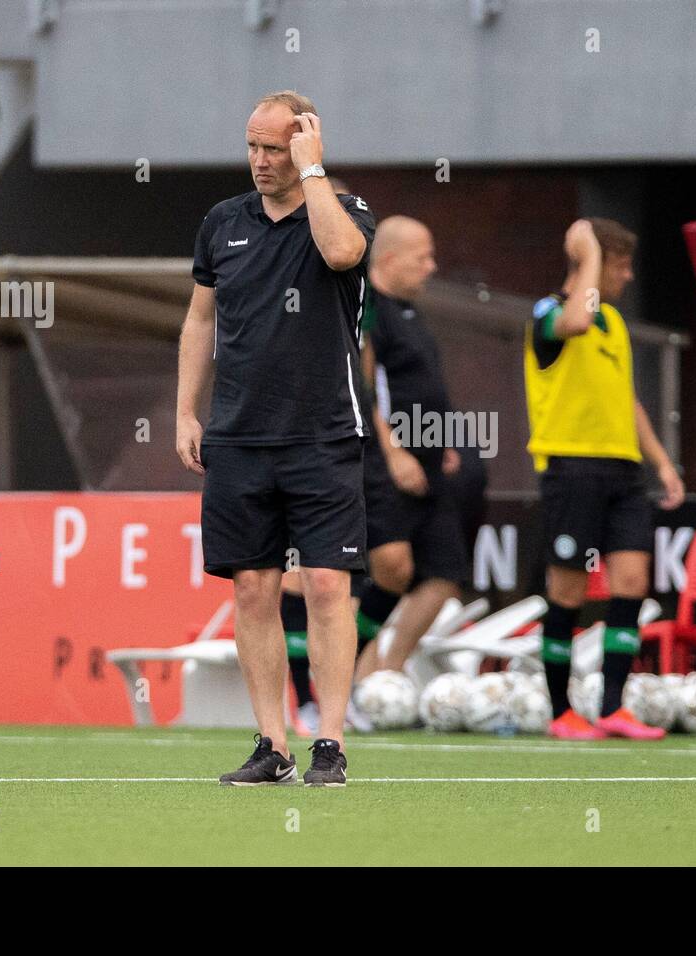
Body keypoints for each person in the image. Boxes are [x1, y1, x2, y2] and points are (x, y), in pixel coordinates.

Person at [177, 90, 374, 787]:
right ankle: (273, 744)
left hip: (323, 436)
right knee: (254, 589)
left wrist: (313, 171)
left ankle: (331, 742)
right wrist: (185, 412)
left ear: (304, 143)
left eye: (274, 147)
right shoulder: (221, 224)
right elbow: (200, 321)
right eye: (253, 146)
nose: (260, 161)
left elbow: (343, 254)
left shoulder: (344, 213)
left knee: (325, 584)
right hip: (237, 437)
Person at [526, 218, 686, 740]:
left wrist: (661, 461)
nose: (630, 274)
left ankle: (614, 705)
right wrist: (589, 255)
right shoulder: (549, 312)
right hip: (571, 467)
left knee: (633, 585)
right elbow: (574, 321)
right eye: (620, 263)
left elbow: (627, 399)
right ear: (590, 261)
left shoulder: (613, 323)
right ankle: (559, 711)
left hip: (624, 471)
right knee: (568, 589)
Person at [353, 216, 471, 681]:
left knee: (445, 571)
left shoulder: (412, 312)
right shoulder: (368, 309)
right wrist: (396, 453)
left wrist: (438, 440)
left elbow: (421, 384)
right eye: (422, 257)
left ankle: (390, 670)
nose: (431, 266)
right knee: (393, 569)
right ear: (389, 259)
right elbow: (365, 387)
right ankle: (354, 670)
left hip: (427, 462)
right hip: (385, 463)